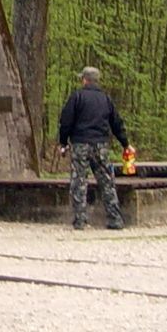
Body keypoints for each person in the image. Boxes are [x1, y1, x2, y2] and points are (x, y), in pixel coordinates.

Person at [57, 65, 127, 231]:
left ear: (84, 80)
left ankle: (80, 220)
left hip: (80, 144)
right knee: (107, 182)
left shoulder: (77, 97)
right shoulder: (106, 99)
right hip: (101, 145)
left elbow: (66, 121)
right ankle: (115, 219)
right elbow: (116, 123)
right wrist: (125, 143)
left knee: (79, 182)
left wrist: (63, 142)